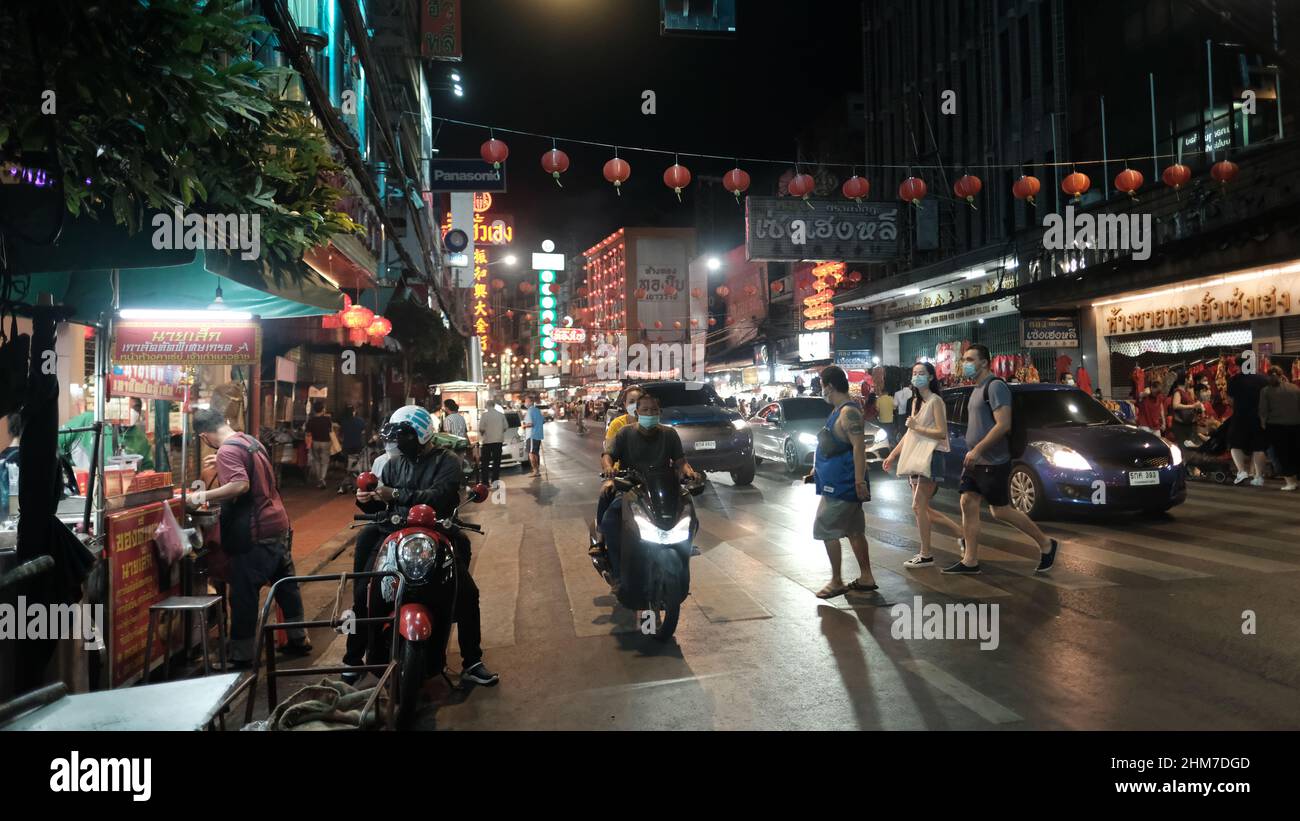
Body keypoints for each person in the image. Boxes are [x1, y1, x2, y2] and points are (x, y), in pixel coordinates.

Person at [348, 405, 498, 686]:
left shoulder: (448, 461)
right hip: (397, 532)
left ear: (420, 434)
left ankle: (473, 661)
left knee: (467, 592)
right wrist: (367, 498)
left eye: (402, 436)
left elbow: (439, 497)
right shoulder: (394, 464)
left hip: (436, 531)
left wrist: (395, 493)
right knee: (363, 591)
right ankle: (353, 658)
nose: (396, 443)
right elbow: (384, 502)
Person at [188, 408, 311, 668]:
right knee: (286, 587)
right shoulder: (249, 441)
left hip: (256, 532)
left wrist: (200, 497)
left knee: (243, 594)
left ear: (203, 436)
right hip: (278, 524)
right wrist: (221, 462)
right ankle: (299, 639)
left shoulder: (228, 450)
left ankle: (241, 656)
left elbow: (240, 485)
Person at [944, 345, 1058, 575]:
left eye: (969, 359)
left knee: (1001, 511)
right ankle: (970, 560)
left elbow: (1003, 424)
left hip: (993, 460)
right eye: (964, 359)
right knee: (968, 502)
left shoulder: (995, 387)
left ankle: (1046, 544)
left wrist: (978, 450)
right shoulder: (976, 388)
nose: (965, 363)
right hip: (976, 461)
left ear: (984, 362)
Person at [597, 393, 699, 582]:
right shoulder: (625, 433)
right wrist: (609, 469)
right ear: (637, 412)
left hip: (664, 488)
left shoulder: (669, 434)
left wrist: (689, 472)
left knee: (691, 517)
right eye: (645, 410)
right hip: (632, 488)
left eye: (654, 410)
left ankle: (684, 549)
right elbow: (608, 455)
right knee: (610, 520)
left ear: (659, 412)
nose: (650, 413)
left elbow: (681, 461)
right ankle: (618, 574)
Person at [882, 362, 964, 567]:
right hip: (915, 457)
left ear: (930, 377)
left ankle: (926, 554)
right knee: (922, 508)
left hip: (931, 457)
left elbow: (941, 433)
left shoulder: (936, 401)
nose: (917, 376)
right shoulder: (916, 402)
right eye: (914, 373)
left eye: (921, 373)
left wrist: (917, 426)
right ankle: (962, 534)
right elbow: (910, 433)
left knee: (918, 506)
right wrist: (892, 455)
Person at [807, 366, 877, 598]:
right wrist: (815, 471)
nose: (821, 390)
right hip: (835, 481)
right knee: (854, 530)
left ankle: (836, 580)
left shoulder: (848, 413)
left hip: (842, 484)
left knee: (825, 528)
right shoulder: (839, 410)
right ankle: (866, 577)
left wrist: (859, 482)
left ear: (830, 386)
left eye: (821, 385)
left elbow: (859, 448)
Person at [1260, 366, 1300, 491]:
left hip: (1276, 427)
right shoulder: (1295, 388)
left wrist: (1263, 425)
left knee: (1283, 455)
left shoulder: (1266, 391)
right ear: (1282, 374)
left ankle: (1290, 482)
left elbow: (1263, 411)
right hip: (1296, 425)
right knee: (1296, 452)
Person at [1226, 371, 1269, 486]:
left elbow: (1230, 399)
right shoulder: (1262, 379)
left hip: (1240, 415)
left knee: (1234, 444)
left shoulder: (1234, 379)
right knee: (1259, 447)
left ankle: (1241, 471)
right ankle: (1259, 477)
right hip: (1258, 416)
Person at [305, 399, 333, 489]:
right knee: (324, 462)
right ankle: (322, 479)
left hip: (315, 442)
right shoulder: (327, 419)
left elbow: (308, 433)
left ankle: (319, 480)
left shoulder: (311, 420)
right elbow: (331, 430)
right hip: (325, 442)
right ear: (323, 409)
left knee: (316, 461)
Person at [478, 402, 508, 485]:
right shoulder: (501, 415)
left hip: (487, 442)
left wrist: (483, 433)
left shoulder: (484, 415)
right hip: (498, 442)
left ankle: (485, 482)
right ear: (494, 405)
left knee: (485, 463)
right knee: (496, 463)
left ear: (487, 406)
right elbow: (505, 427)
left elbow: (481, 428)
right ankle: (495, 482)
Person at [1168, 372, 1198, 447]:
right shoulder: (1178, 391)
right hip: (1180, 424)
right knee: (1183, 447)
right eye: (1189, 379)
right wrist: (1192, 406)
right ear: (1185, 380)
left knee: (1189, 447)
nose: (1191, 381)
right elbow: (1175, 405)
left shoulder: (1186, 392)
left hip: (1187, 424)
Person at [521, 394, 545, 477]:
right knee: (535, 453)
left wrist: (523, 426)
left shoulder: (529, 411)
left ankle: (536, 471)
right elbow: (543, 421)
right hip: (538, 435)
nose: (525, 403)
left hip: (532, 435)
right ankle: (537, 470)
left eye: (526, 401)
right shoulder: (537, 410)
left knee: (531, 454)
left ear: (531, 402)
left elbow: (530, 424)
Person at [893, 380, 914, 446]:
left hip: (901, 415)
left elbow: (895, 405)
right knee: (911, 430)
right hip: (911, 414)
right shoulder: (913, 393)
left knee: (902, 430)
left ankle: (904, 445)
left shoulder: (897, 393)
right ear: (910, 385)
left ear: (902, 386)